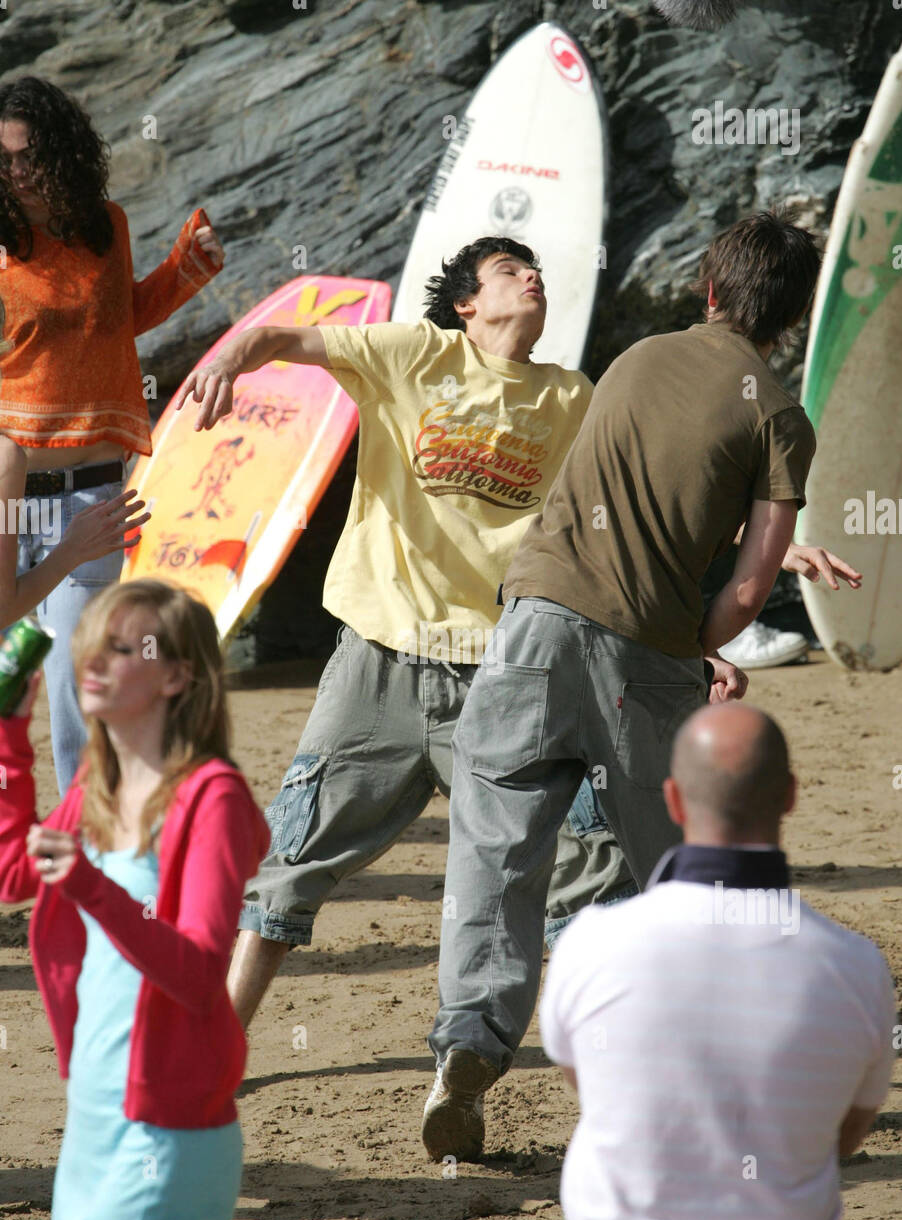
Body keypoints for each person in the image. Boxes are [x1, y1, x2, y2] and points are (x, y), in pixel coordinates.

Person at [422, 208, 863, 1162]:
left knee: (496, 853)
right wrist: (693, 647)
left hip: (531, 625)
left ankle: (468, 1043)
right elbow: (750, 582)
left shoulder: (632, 359)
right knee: (680, 877)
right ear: (787, 320)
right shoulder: (779, 416)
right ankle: (721, 1077)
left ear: (709, 290)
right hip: (644, 661)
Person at [175, 235, 640, 1029]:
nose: (533, 277)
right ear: (467, 304)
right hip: (375, 671)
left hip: (501, 681)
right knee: (291, 859)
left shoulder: (572, 397)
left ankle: (613, 1048)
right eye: (508, 271)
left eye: (536, 269)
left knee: (576, 868)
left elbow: (640, 498)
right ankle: (216, 1044)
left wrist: (760, 542)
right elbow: (283, 337)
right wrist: (229, 358)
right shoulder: (412, 355)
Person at [540, 704, 896, 1220]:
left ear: (674, 800)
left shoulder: (591, 942)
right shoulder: (858, 968)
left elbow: (593, 1087)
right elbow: (840, 1136)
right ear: (789, 796)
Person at [0, 579, 270, 1220]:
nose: (93, 663)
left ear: (178, 675)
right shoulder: (98, 784)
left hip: (165, 1134)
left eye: (122, 649)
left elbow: (201, 970)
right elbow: (10, 873)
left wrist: (92, 884)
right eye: (92, 645)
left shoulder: (214, 799)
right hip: (90, 1119)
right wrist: (9, 745)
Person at [0, 75, 224, 793]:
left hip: (87, 501)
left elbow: (114, 324)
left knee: (80, 700)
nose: (15, 172)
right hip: (4, 494)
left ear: (62, 153)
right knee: (7, 701)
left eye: (28, 156)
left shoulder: (107, 227)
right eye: (2, 160)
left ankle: (88, 866)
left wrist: (188, 268)